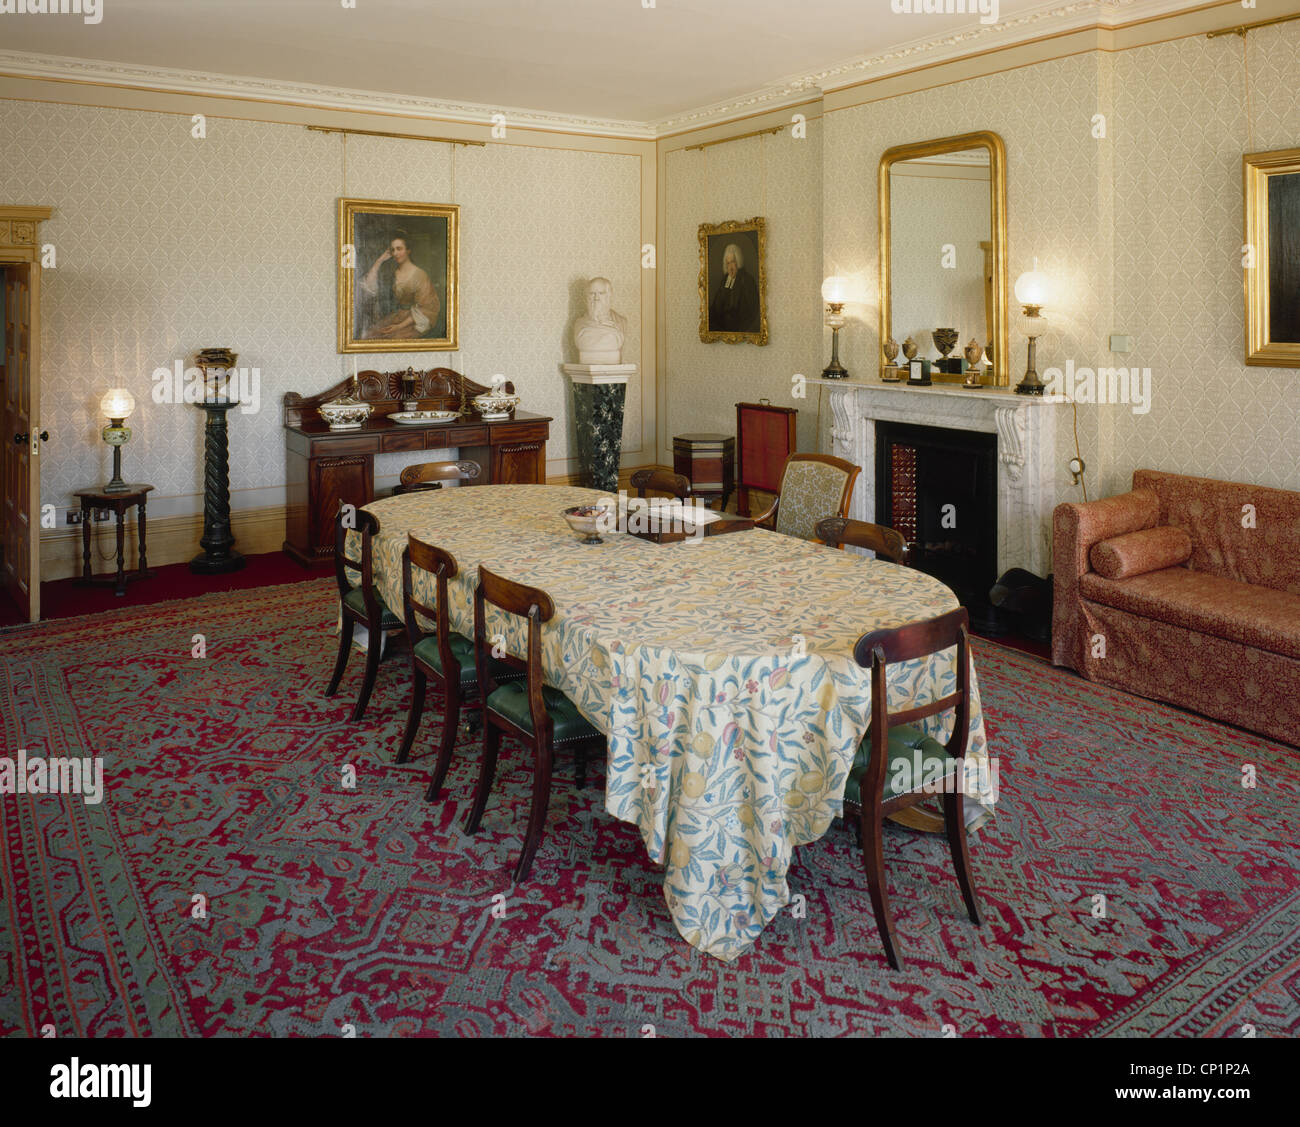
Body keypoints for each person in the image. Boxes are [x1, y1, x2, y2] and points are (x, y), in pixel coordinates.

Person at [358, 233, 441, 340]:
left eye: (399, 249)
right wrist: (380, 260)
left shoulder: (420, 275)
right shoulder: (391, 272)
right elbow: (369, 288)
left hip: (412, 322)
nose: (395, 253)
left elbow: (425, 309)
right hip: (396, 316)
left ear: (408, 251)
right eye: (392, 250)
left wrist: (398, 327)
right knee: (368, 336)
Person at [573, 277, 627, 364]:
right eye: (592, 293)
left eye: (601, 293)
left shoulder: (621, 322)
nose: (596, 298)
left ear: (609, 295)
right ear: (587, 297)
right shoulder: (580, 323)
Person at [709, 242, 760, 333]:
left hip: (739, 329)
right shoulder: (725, 280)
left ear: (738, 262)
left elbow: (751, 311)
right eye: (728, 263)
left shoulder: (747, 280)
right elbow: (716, 307)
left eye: (733, 262)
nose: (730, 267)